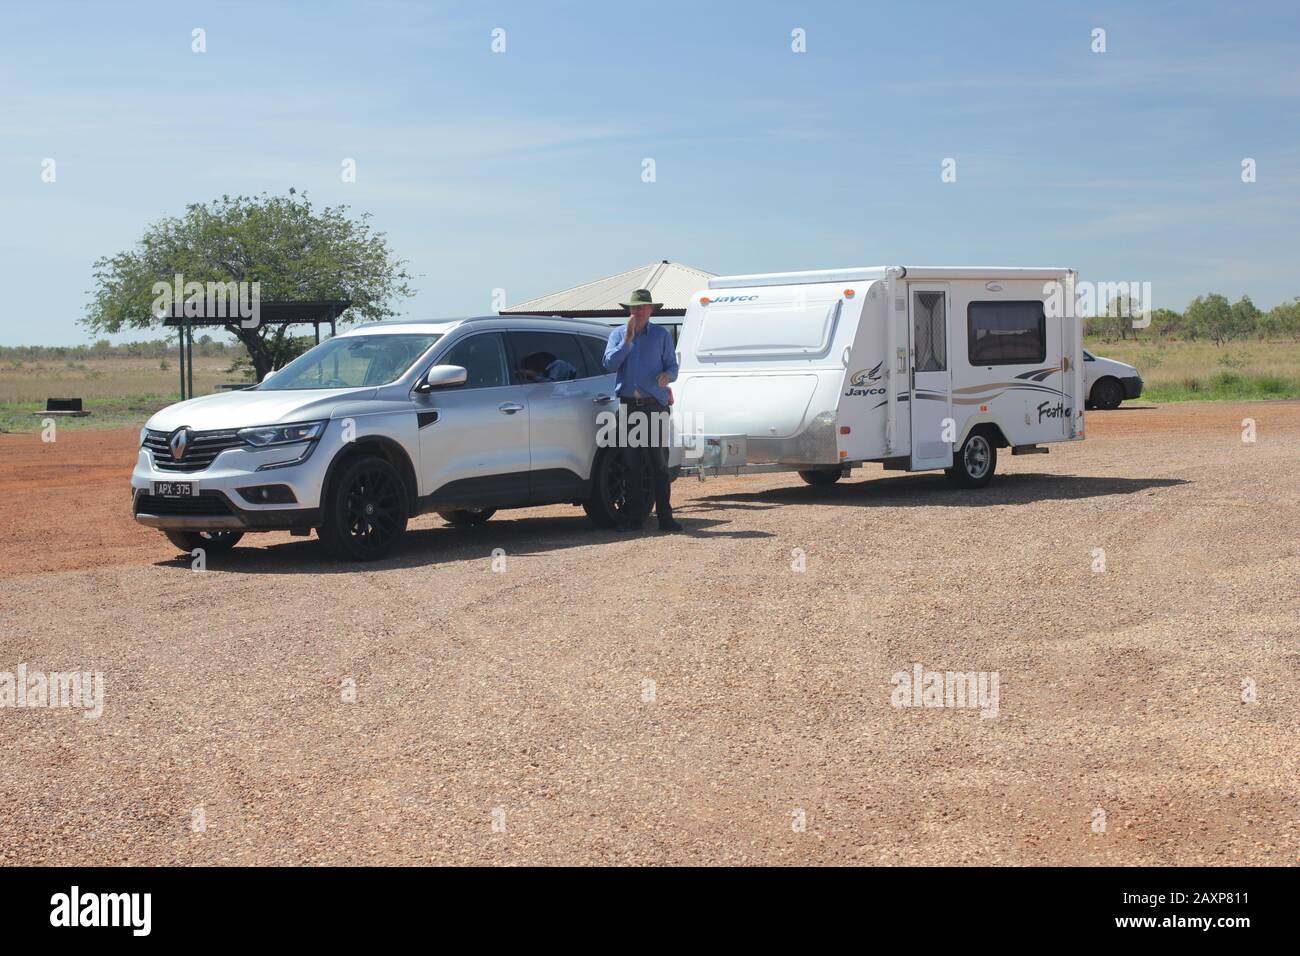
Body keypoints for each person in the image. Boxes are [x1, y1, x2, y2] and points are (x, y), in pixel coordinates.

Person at [603, 288, 682, 532]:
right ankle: (635, 518)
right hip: (629, 406)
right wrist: (627, 341)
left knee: (658, 464)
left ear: (651, 310)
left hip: (654, 406)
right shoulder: (618, 334)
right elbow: (608, 364)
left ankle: (665, 518)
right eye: (634, 307)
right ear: (629, 310)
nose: (638, 311)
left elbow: (673, 366)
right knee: (631, 465)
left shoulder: (661, 335)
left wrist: (667, 376)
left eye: (642, 307)